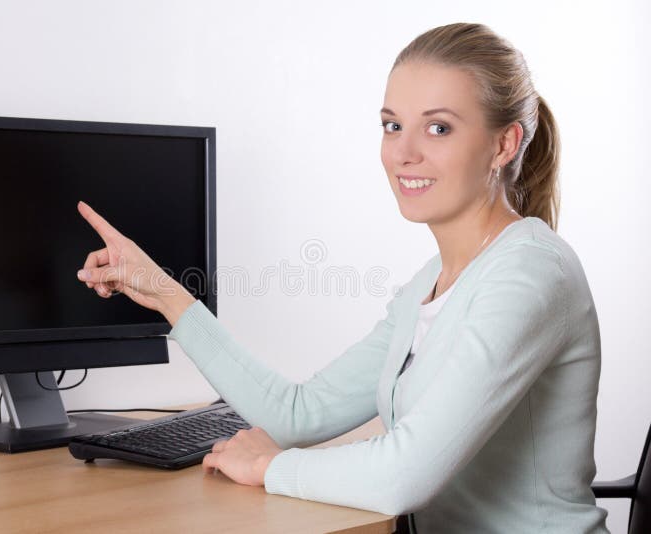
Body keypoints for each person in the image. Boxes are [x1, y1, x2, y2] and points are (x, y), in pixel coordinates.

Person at [74, 22, 608, 533]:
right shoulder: (434, 282)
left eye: (438, 128)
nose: (403, 153)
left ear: (504, 144)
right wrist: (165, 294)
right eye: (392, 125)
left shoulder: (530, 274)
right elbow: (298, 413)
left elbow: (402, 476)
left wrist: (270, 467)